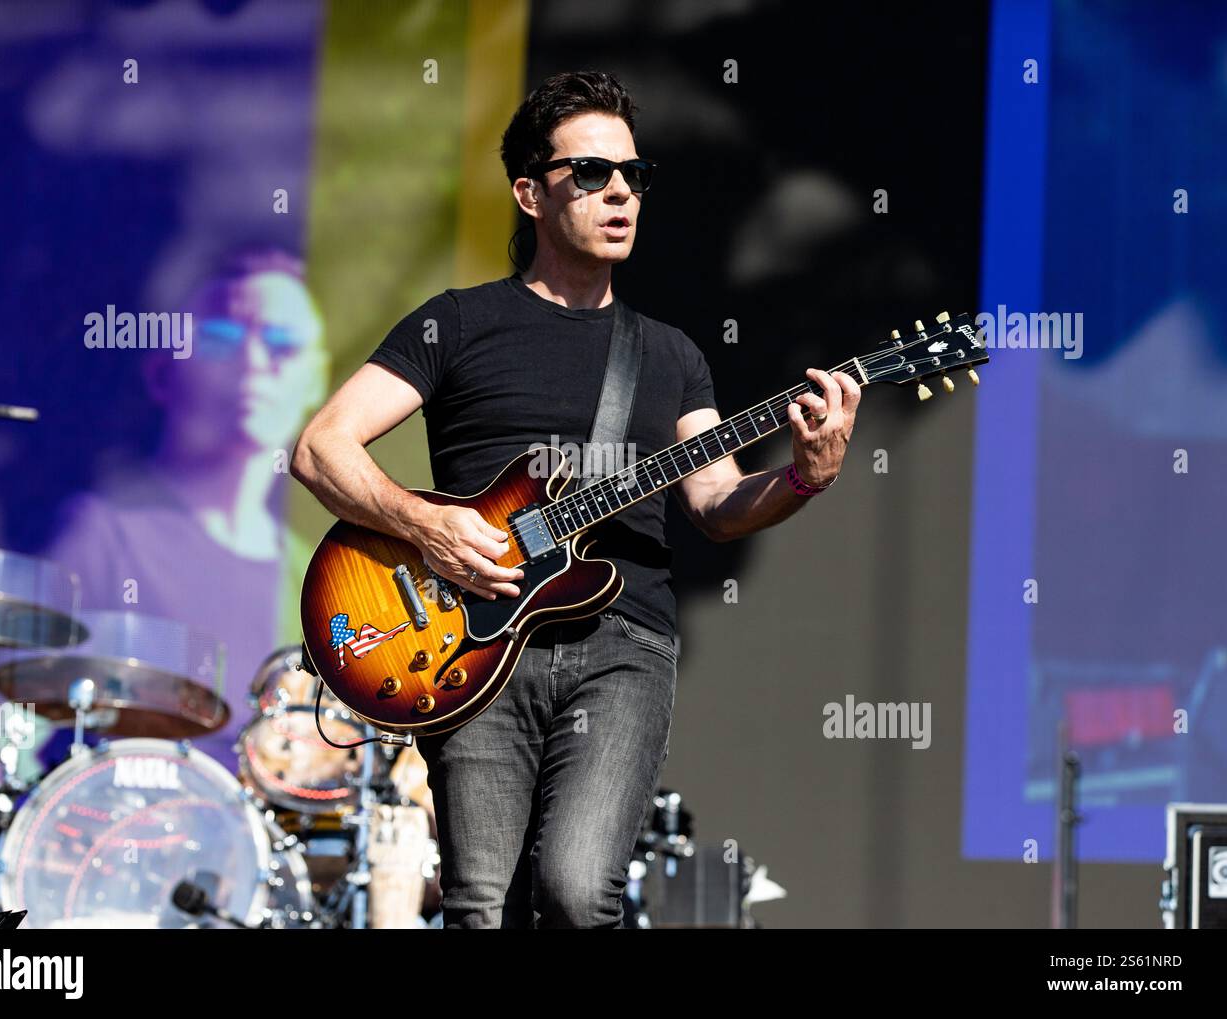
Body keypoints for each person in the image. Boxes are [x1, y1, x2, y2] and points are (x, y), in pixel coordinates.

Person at [291, 71, 859, 928]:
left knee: (578, 888)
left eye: (634, 174)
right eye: (592, 172)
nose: (621, 191)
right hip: (468, 642)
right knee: (483, 905)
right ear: (530, 193)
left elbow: (715, 499)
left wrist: (802, 476)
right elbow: (320, 446)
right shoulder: (459, 323)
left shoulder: (670, 355)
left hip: (623, 642)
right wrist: (426, 524)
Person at [43, 249, 327, 772]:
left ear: (316, 380)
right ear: (161, 372)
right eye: (221, 340)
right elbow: (3, 722)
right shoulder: (99, 535)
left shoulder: (313, 574)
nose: (253, 363)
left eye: (283, 346)